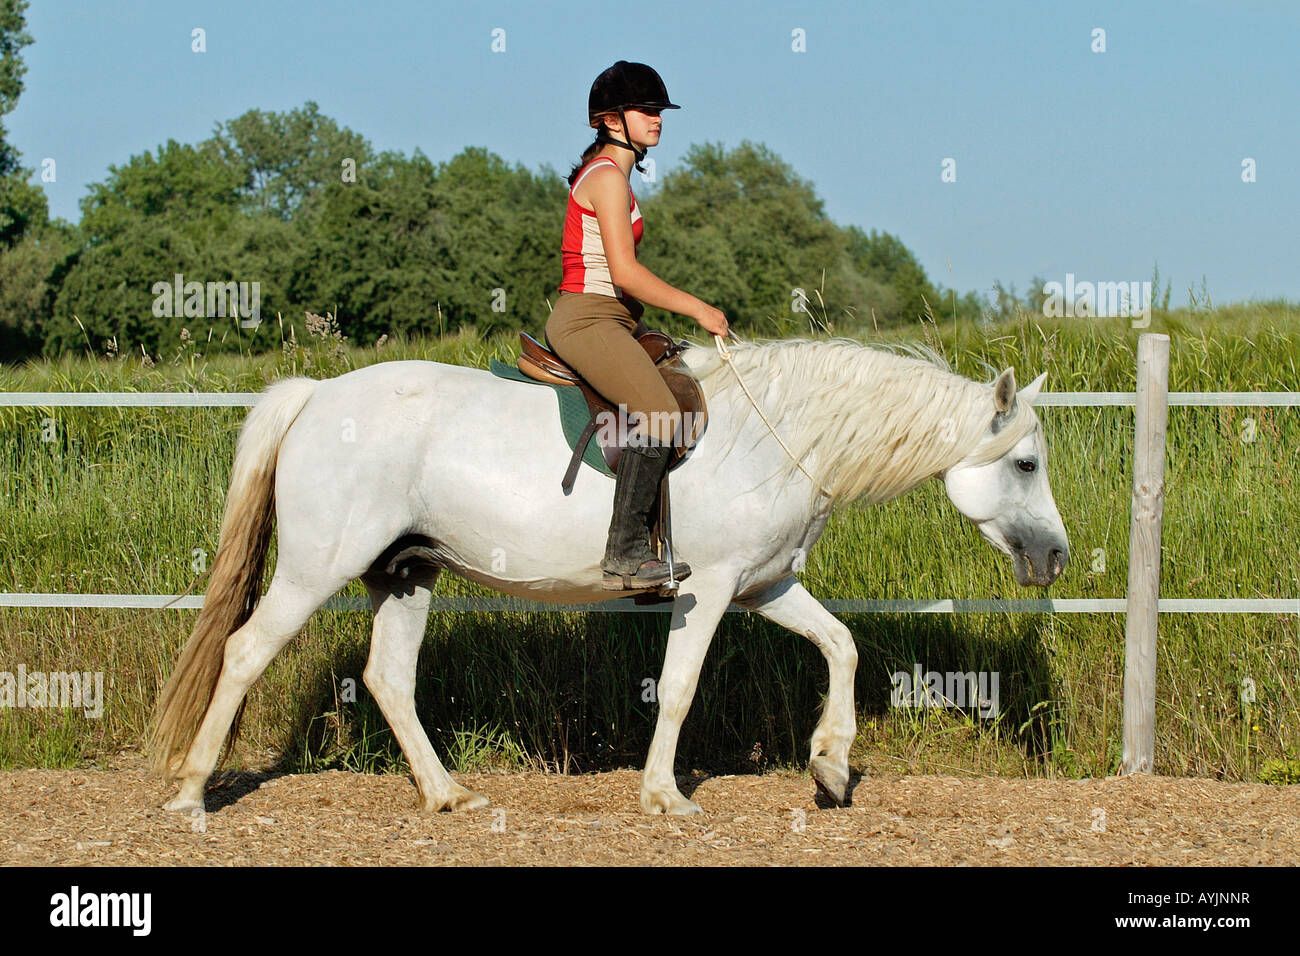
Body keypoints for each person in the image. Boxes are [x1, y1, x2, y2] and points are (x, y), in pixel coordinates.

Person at [545, 60, 729, 591]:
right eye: (646, 111)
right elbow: (624, 272)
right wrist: (698, 308)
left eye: (659, 111)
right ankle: (625, 555)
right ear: (610, 121)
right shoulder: (605, 179)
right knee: (659, 412)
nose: (658, 119)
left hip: (615, 319)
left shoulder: (617, 177)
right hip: (587, 318)